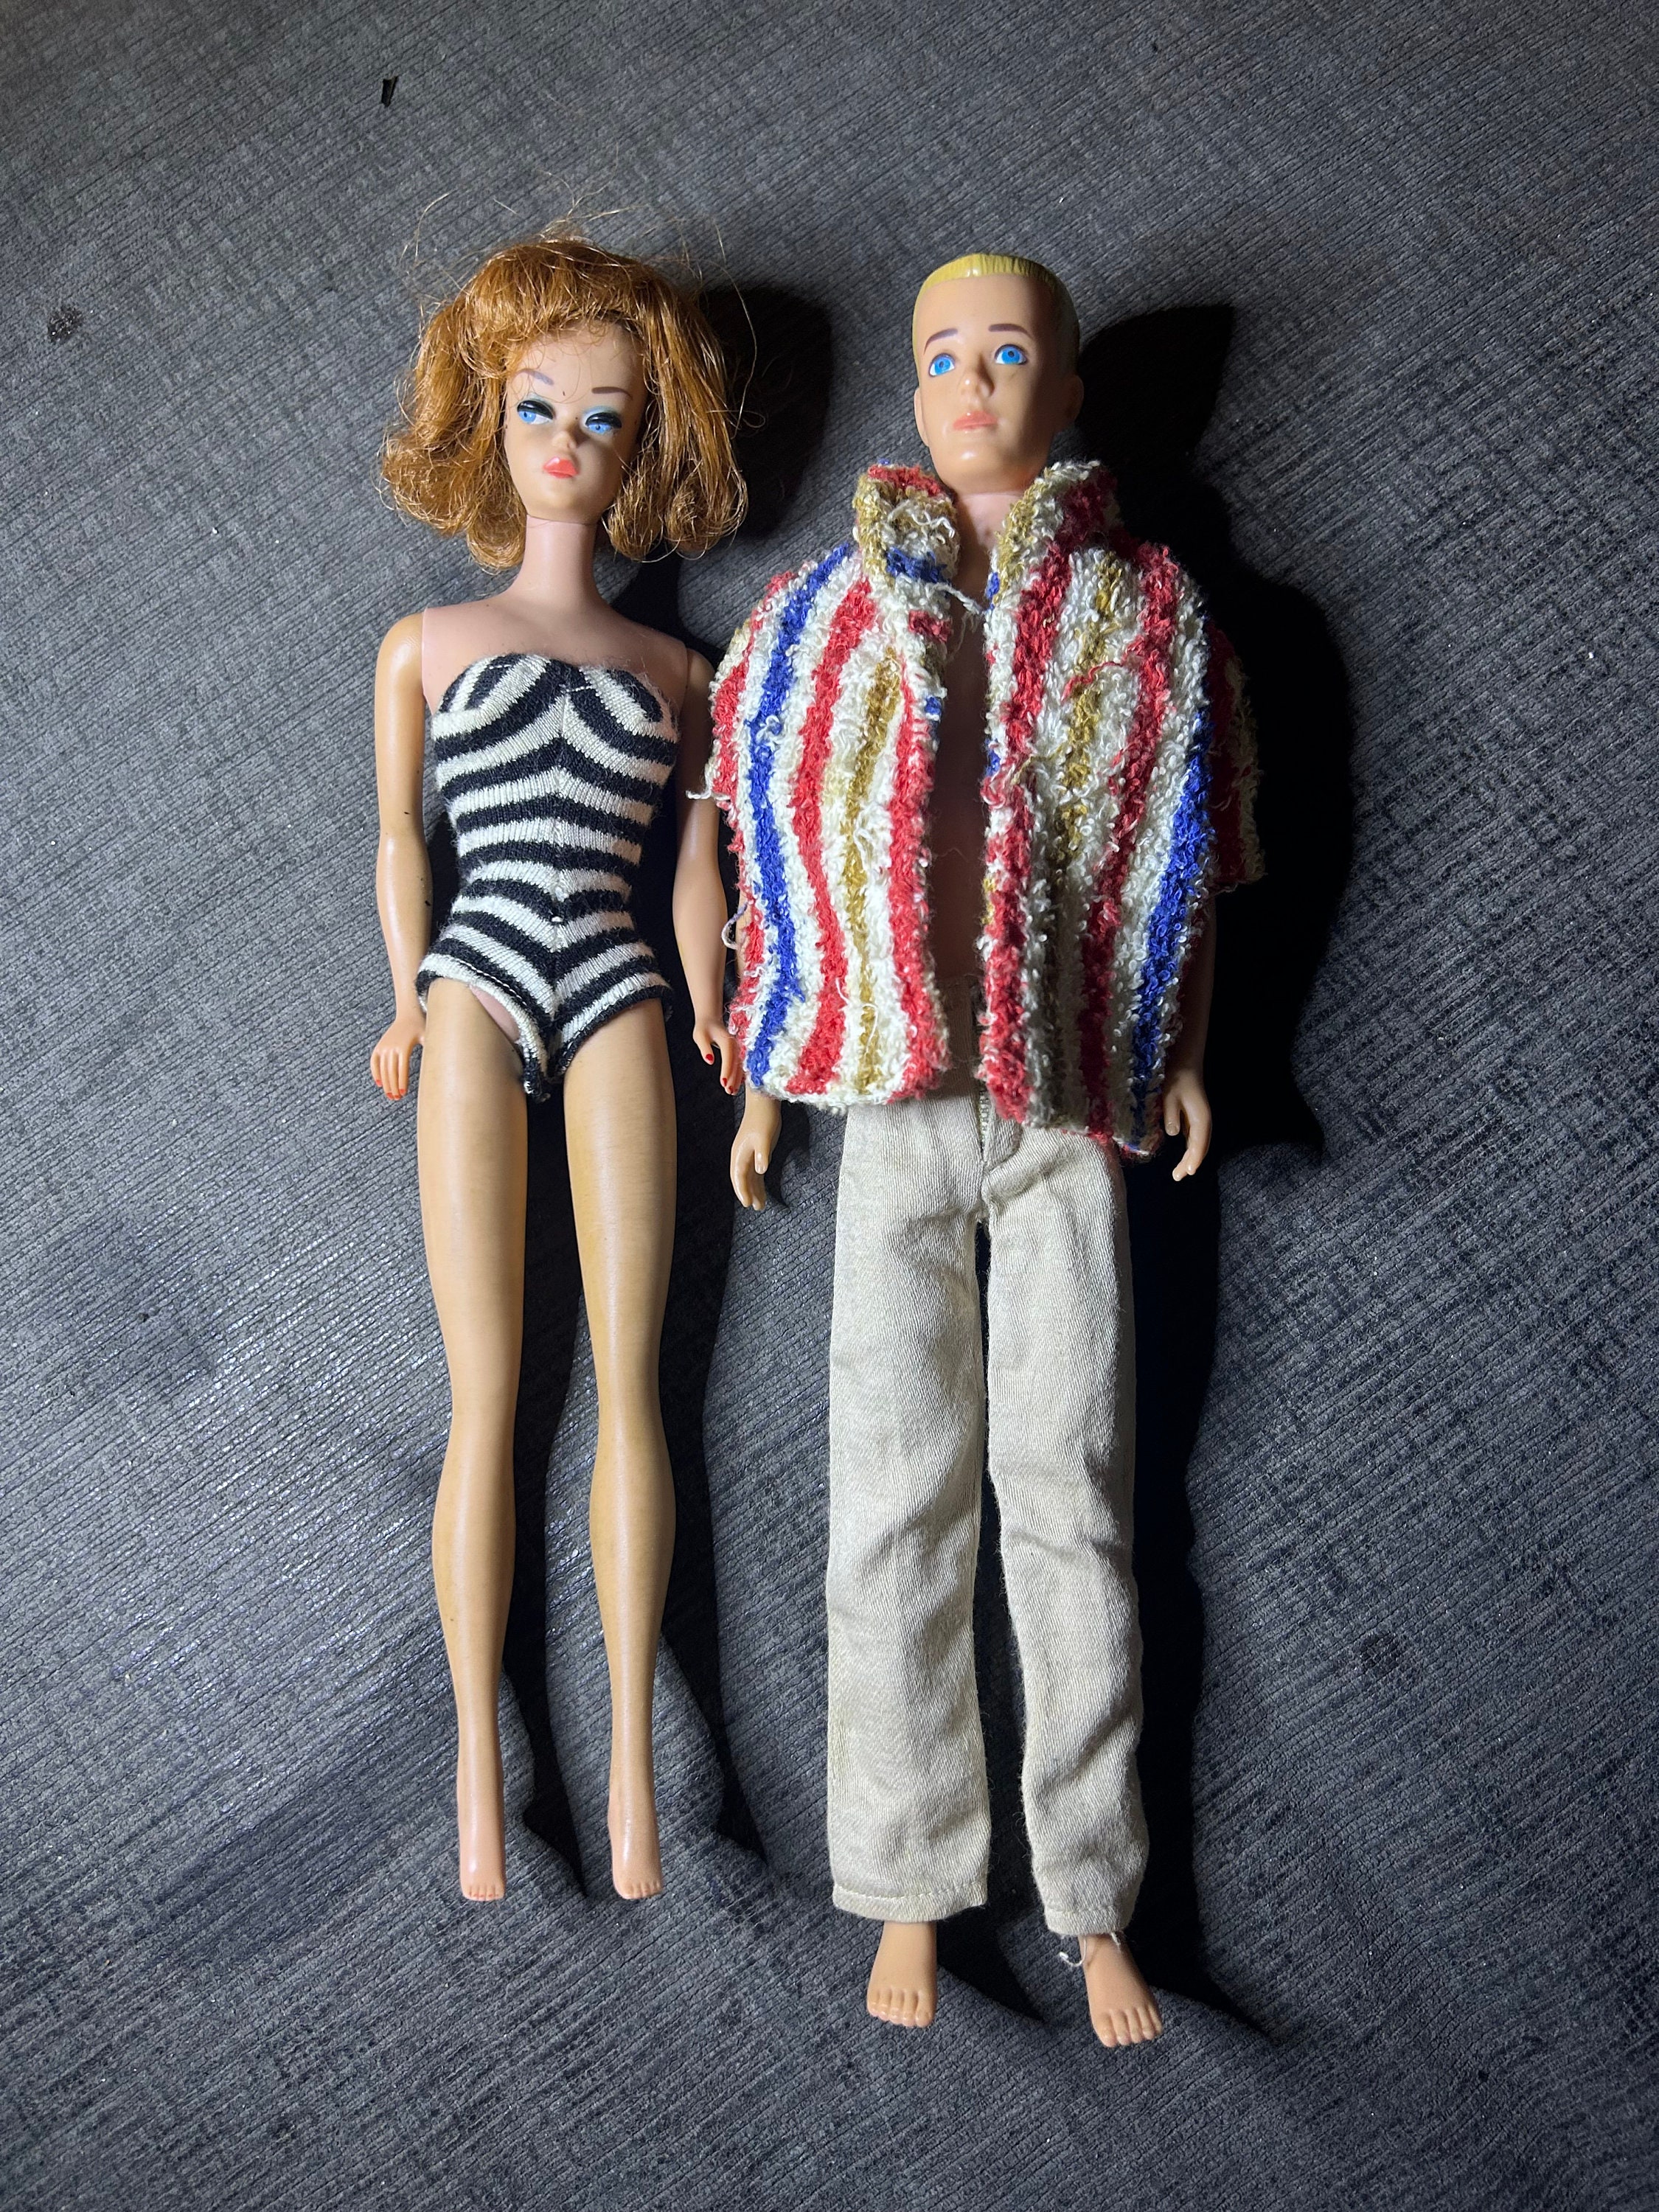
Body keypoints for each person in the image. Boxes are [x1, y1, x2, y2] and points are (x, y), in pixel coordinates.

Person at [678, 251, 1260, 2042]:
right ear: (916, 392)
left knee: (1071, 1495)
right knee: (892, 1498)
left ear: (1068, 392)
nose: (977, 382)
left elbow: (1187, 851)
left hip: (1072, 1094)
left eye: (1011, 353)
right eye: (946, 355)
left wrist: (1182, 1049)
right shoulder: (820, 614)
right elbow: (775, 847)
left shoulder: (1148, 615)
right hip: (890, 1097)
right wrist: (766, 1075)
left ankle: (1094, 1897)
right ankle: (909, 1881)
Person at [369, 232, 743, 1901]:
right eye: (539, 407)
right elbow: (401, 839)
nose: (568, 444)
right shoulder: (426, 642)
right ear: (492, 416)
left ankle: (641, 1778)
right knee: (489, 1390)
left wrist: (712, 995)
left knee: (638, 1384)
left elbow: (693, 865)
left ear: (643, 439)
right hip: (473, 980)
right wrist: (403, 998)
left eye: (604, 416)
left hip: (617, 985)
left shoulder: (682, 675)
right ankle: (478, 1764)